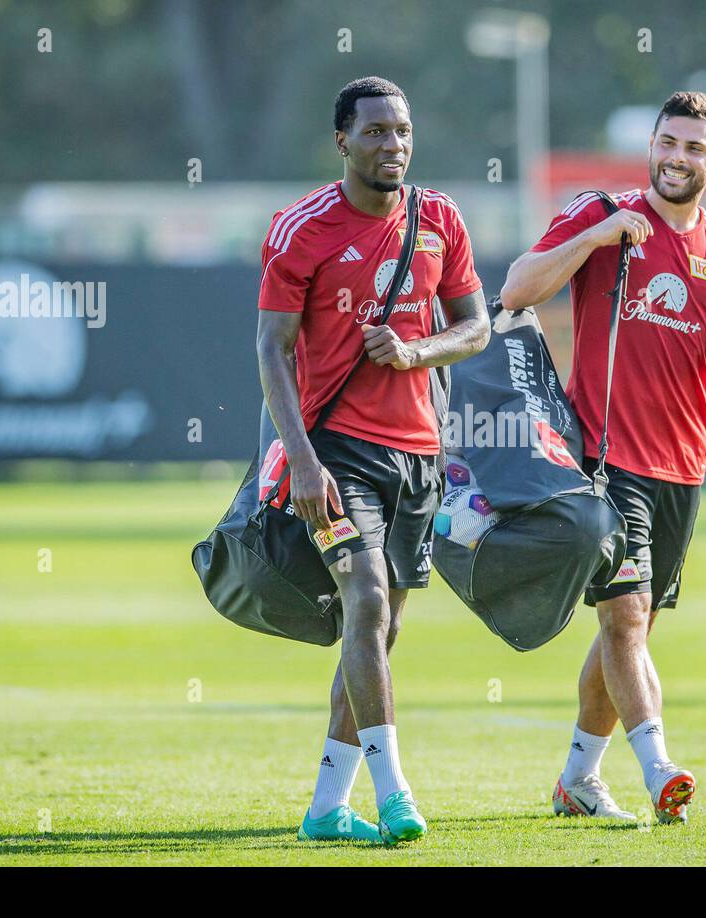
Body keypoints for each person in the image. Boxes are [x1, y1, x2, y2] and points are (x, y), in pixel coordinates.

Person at [500, 91, 706, 824]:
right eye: (667, 142)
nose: (677, 157)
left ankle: (577, 778)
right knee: (626, 620)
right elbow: (516, 290)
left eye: (694, 148)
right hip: (605, 461)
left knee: (629, 631)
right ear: (651, 147)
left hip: (681, 471)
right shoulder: (602, 212)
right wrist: (598, 238)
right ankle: (658, 767)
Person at [256, 76, 489, 845]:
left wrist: (416, 350)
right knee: (366, 602)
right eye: (377, 131)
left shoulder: (440, 219)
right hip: (333, 455)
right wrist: (302, 462)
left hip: (419, 456)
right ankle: (394, 794)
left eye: (402, 131)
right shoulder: (302, 228)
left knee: (379, 634)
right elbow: (271, 348)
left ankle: (326, 809)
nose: (393, 144)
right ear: (343, 142)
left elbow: (477, 327)